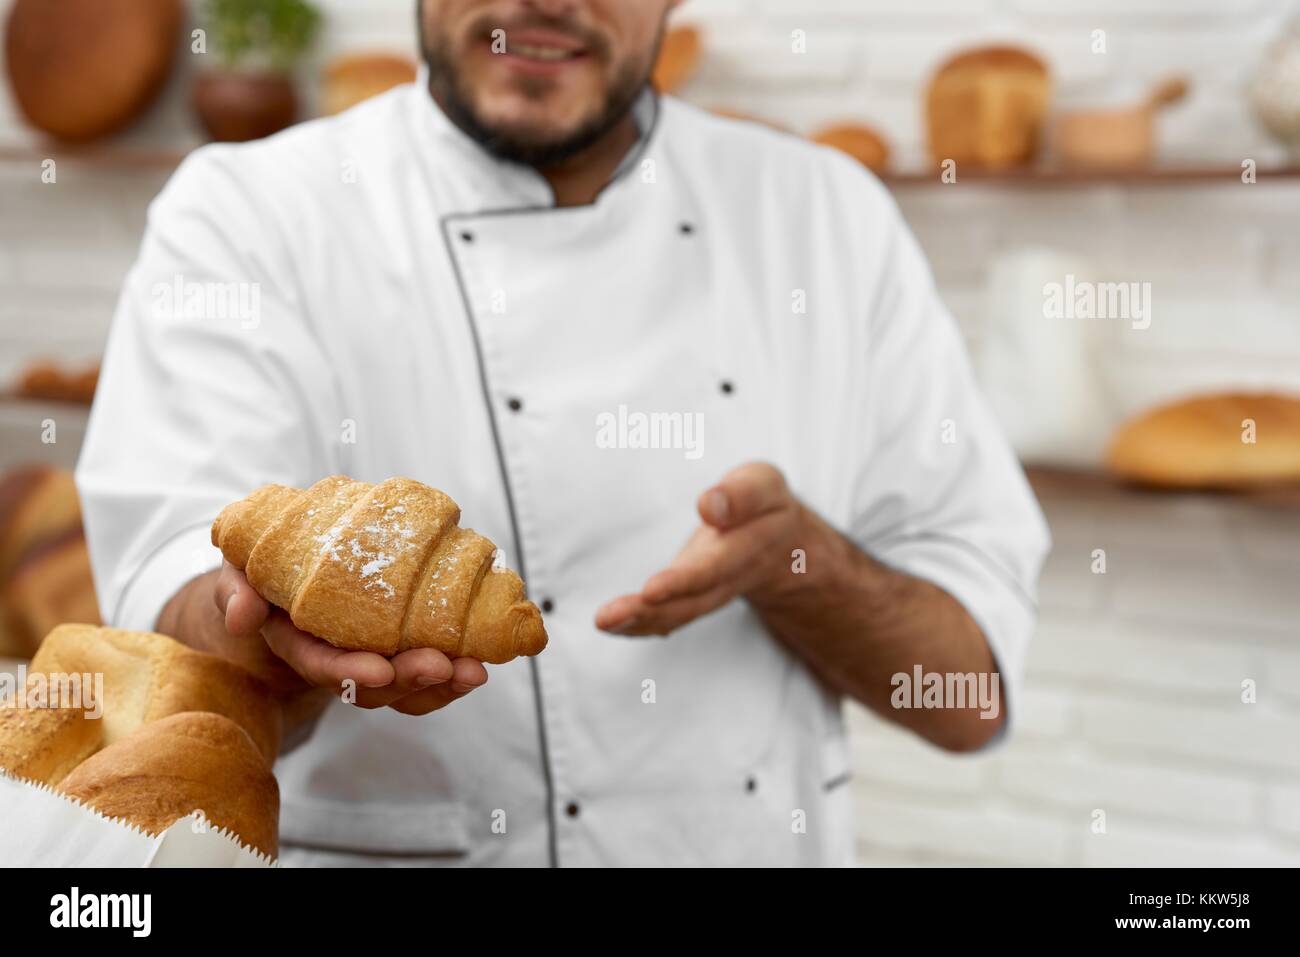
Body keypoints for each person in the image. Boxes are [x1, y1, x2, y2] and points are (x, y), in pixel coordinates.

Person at [77, 0, 1049, 866]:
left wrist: (801, 565)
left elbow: (967, 703)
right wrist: (279, 623)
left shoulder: (827, 218)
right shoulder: (247, 216)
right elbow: (175, 678)